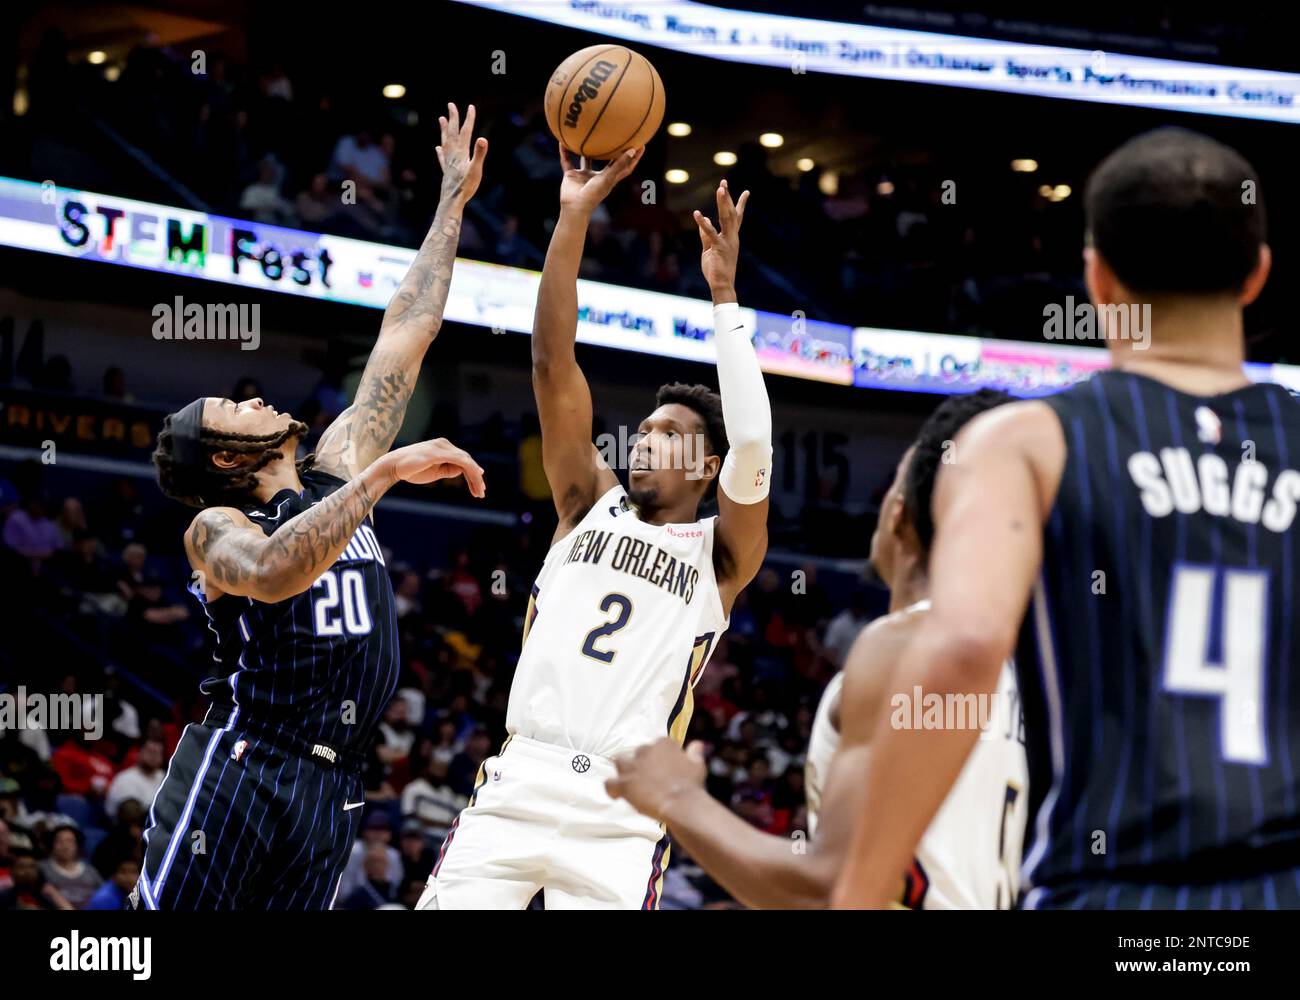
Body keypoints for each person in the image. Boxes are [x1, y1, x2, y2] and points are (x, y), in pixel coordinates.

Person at [833, 127, 1300, 909]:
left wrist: (857, 894)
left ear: (1098, 278)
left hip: (1112, 895)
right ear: (1257, 275)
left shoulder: (1026, 443)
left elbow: (967, 647)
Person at [136, 103, 489, 911]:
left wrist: (450, 203)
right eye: (235, 407)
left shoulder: (335, 469)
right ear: (226, 458)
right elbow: (269, 572)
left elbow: (406, 331)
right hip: (243, 767)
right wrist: (385, 475)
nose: (256, 398)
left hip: (335, 789)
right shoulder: (216, 528)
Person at [421, 154, 773, 910]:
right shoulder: (585, 500)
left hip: (623, 806)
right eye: (642, 430)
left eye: (668, 435)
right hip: (522, 776)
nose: (644, 441)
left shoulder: (722, 557)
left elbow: (756, 443)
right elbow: (552, 362)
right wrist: (573, 215)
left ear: (709, 466)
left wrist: (724, 298)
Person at [607, 392, 1028, 908]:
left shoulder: (901, 649)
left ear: (899, 517)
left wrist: (678, 798)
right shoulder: (1009, 679)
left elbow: (832, 888)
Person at [40, 824, 103, 908]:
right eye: (59, 841)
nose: (65, 846)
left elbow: (103, 895)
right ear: (52, 844)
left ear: (77, 845)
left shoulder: (90, 871)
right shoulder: (42, 868)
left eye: (70, 841)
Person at [105, 737, 165, 819]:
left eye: (158, 753)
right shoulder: (126, 778)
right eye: (150, 752)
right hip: (127, 827)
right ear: (139, 753)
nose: (154, 756)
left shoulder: (164, 777)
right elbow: (129, 814)